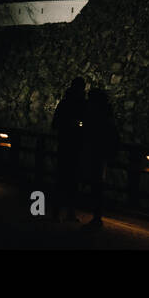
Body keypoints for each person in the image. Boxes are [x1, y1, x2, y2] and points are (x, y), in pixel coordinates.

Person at [81, 87, 119, 227]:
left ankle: (96, 216)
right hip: (101, 153)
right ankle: (97, 216)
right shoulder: (106, 115)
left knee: (95, 184)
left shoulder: (95, 115)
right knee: (98, 184)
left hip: (96, 152)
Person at [51, 77, 86, 221]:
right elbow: (56, 123)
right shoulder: (79, 105)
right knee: (69, 180)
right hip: (71, 147)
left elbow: (55, 124)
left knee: (66, 180)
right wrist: (72, 124)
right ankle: (63, 212)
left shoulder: (66, 103)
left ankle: (62, 212)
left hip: (68, 146)